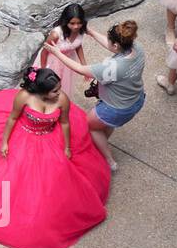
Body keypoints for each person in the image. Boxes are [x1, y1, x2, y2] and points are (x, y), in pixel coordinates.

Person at [0, 67, 110, 248]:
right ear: (42, 92)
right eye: (55, 90)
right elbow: (12, 118)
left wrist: (67, 146)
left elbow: (65, 122)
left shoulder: (62, 100)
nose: (59, 92)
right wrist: (4, 142)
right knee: (6, 178)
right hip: (22, 136)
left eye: (59, 88)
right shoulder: (24, 97)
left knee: (52, 185)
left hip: (48, 140)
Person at [43, 20, 145, 172]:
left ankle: (109, 160)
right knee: (107, 124)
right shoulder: (136, 48)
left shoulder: (112, 68)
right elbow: (110, 44)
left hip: (117, 107)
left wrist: (57, 53)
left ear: (116, 45)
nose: (108, 43)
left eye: (110, 41)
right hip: (136, 99)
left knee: (91, 125)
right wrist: (90, 32)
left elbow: (80, 68)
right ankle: (103, 140)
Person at [32, 3, 89, 99]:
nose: (76, 27)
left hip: (68, 62)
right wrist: (43, 70)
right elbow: (44, 52)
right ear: (66, 21)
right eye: (72, 23)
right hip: (53, 62)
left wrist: (84, 66)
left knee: (63, 86)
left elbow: (78, 45)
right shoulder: (56, 34)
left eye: (79, 23)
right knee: (48, 87)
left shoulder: (81, 30)